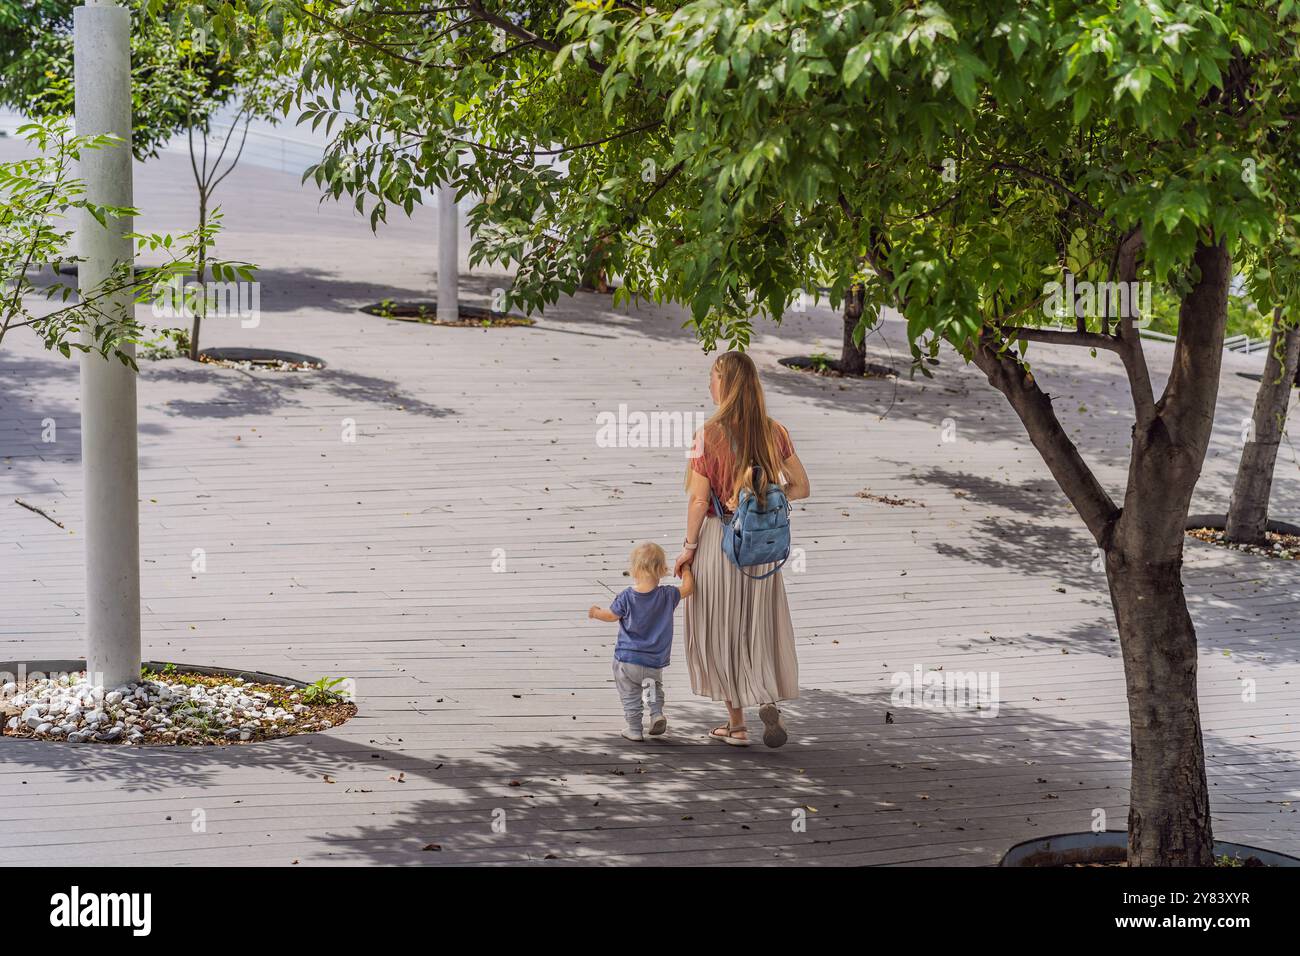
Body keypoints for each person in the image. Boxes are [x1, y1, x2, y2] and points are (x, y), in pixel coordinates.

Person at [673, 351, 811, 748]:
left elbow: (699, 502)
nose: (709, 384)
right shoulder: (775, 431)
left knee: (722, 628)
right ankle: (765, 695)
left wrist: (688, 548)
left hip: (722, 542)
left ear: (726, 385)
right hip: (762, 548)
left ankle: (736, 725)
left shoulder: (708, 435)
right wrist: (763, 495)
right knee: (757, 625)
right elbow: (801, 487)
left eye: (714, 377)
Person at [589, 542, 694, 741]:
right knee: (651, 687)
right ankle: (656, 713)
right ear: (663, 570)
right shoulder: (668, 595)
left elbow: (610, 616)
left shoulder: (627, 597)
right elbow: (688, 588)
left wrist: (595, 612)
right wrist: (686, 567)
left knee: (630, 695)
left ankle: (635, 729)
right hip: (653, 660)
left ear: (634, 569)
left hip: (627, 659)